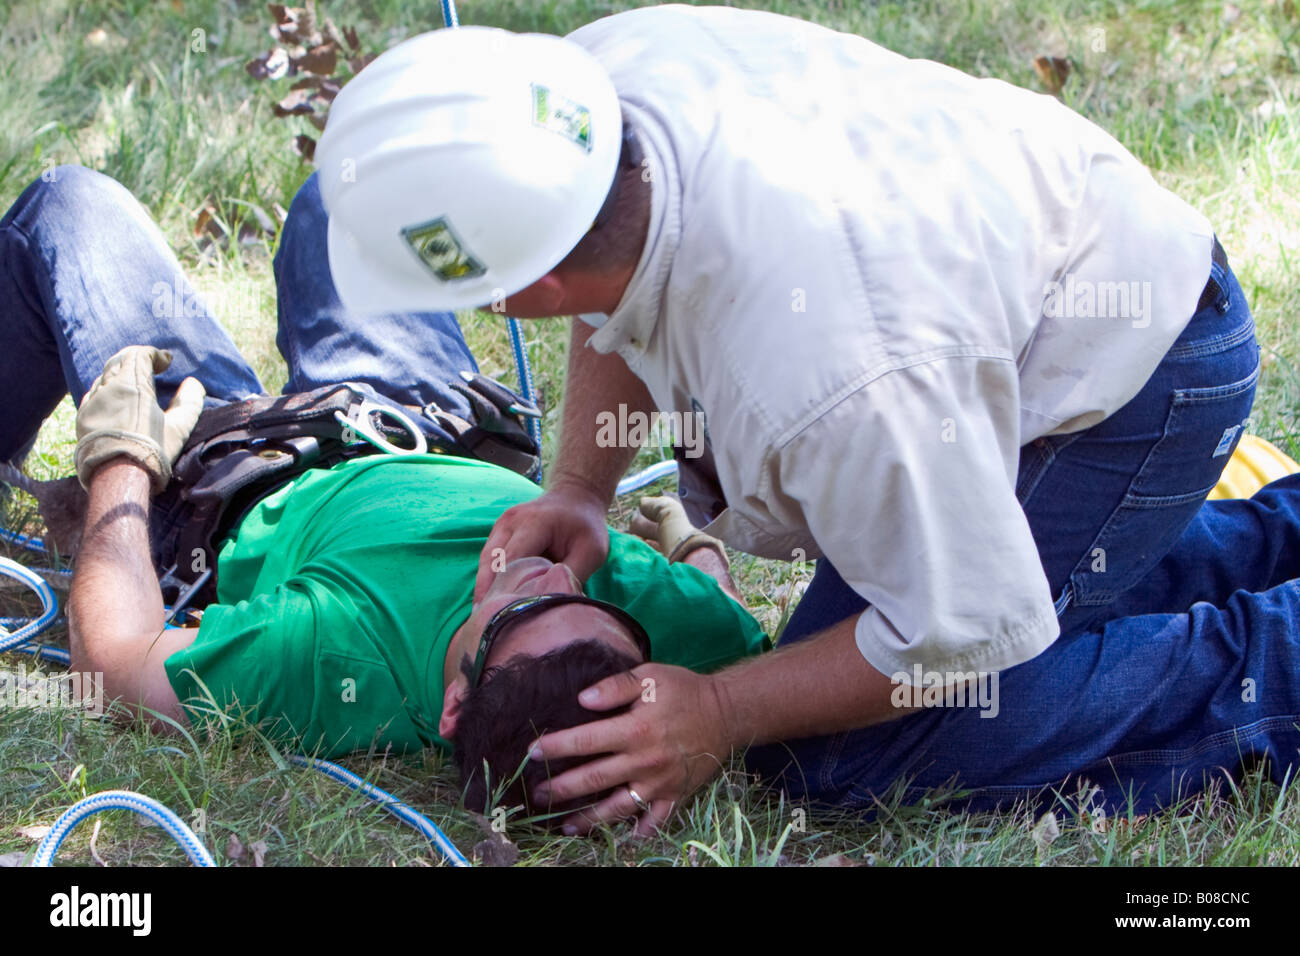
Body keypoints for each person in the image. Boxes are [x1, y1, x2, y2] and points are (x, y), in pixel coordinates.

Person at [313, 6, 1266, 831]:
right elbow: (611, 284)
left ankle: (1281, 658)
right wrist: (581, 487)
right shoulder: (582, 96)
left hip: (1139, 374)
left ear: (537, 281)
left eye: (489, 294)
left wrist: (722, 711)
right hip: (1015, 298)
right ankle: (1273, 536)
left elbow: (948, 628)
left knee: (861, 759)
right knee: (858, 677)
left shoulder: (827, 382)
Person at [0, 165, 767, 826]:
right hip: (421, 415)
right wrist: (695, 546)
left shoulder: (341, 655)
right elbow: (729, 623)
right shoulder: (627, 625)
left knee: (69, 208)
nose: (558, 574)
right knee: (351, 193)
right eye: (593, 601)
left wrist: (122, 460)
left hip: (232, 462)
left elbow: (117, 671)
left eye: (523, 609)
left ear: (455, 708)